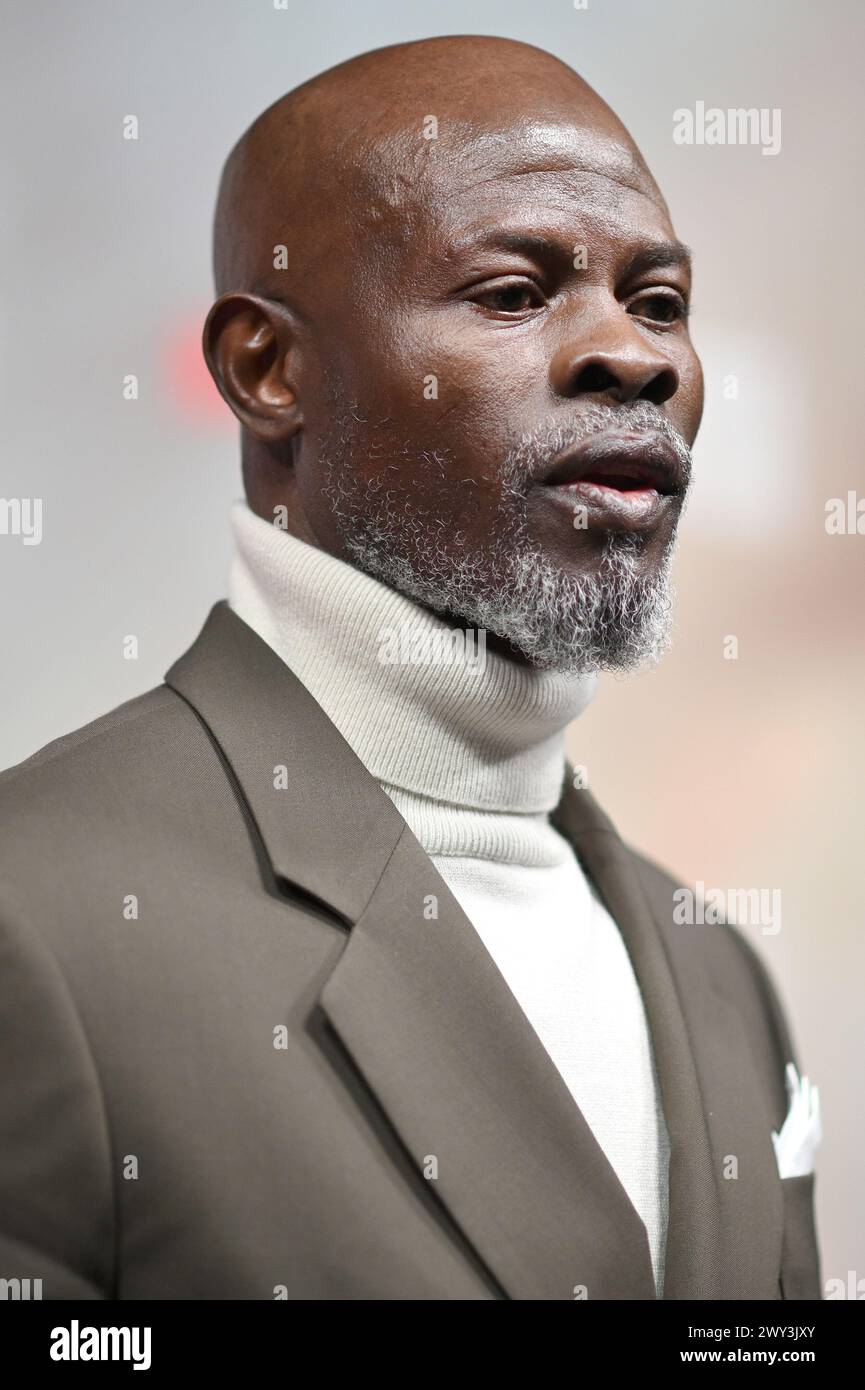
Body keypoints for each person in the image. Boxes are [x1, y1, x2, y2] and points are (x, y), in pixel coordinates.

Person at [0, 34, 821, 1300]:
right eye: (511, 292)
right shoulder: (34, 915)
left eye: (658, 302)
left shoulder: (714, 966)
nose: (637, 357)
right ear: (267, 371)